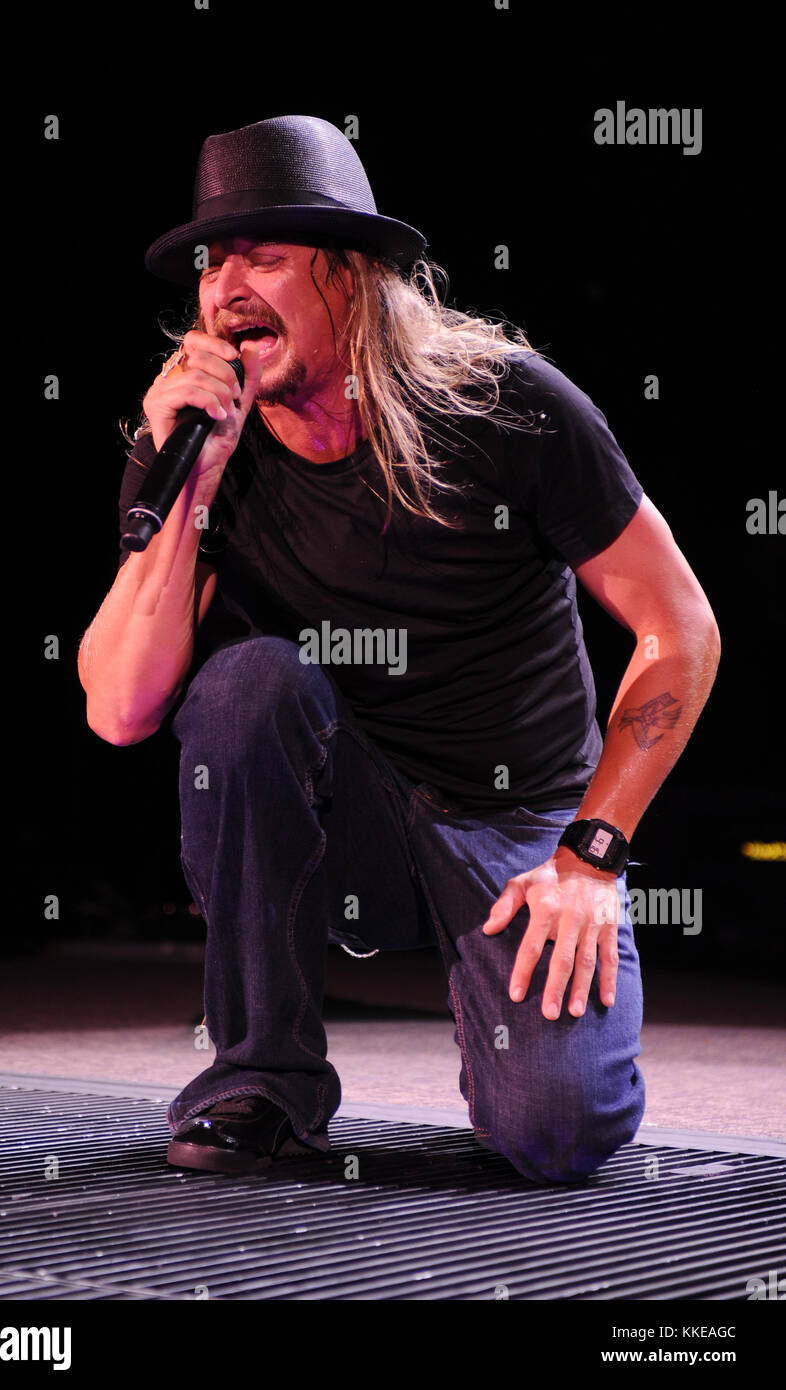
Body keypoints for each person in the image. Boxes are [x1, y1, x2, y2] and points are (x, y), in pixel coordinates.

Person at [78, 115, 720, 1184]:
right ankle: (259, 1080)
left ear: (354, 278)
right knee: (245, 687)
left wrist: (591, 853)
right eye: (215, 259)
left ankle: (513, 1035)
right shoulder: (196, 442)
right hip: (349, 818)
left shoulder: (502, 405)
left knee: (556, 1132)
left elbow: (679, 625)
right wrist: (186, 485)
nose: (228, 285)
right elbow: (118, 708)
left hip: (514, 821)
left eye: (266, 256)